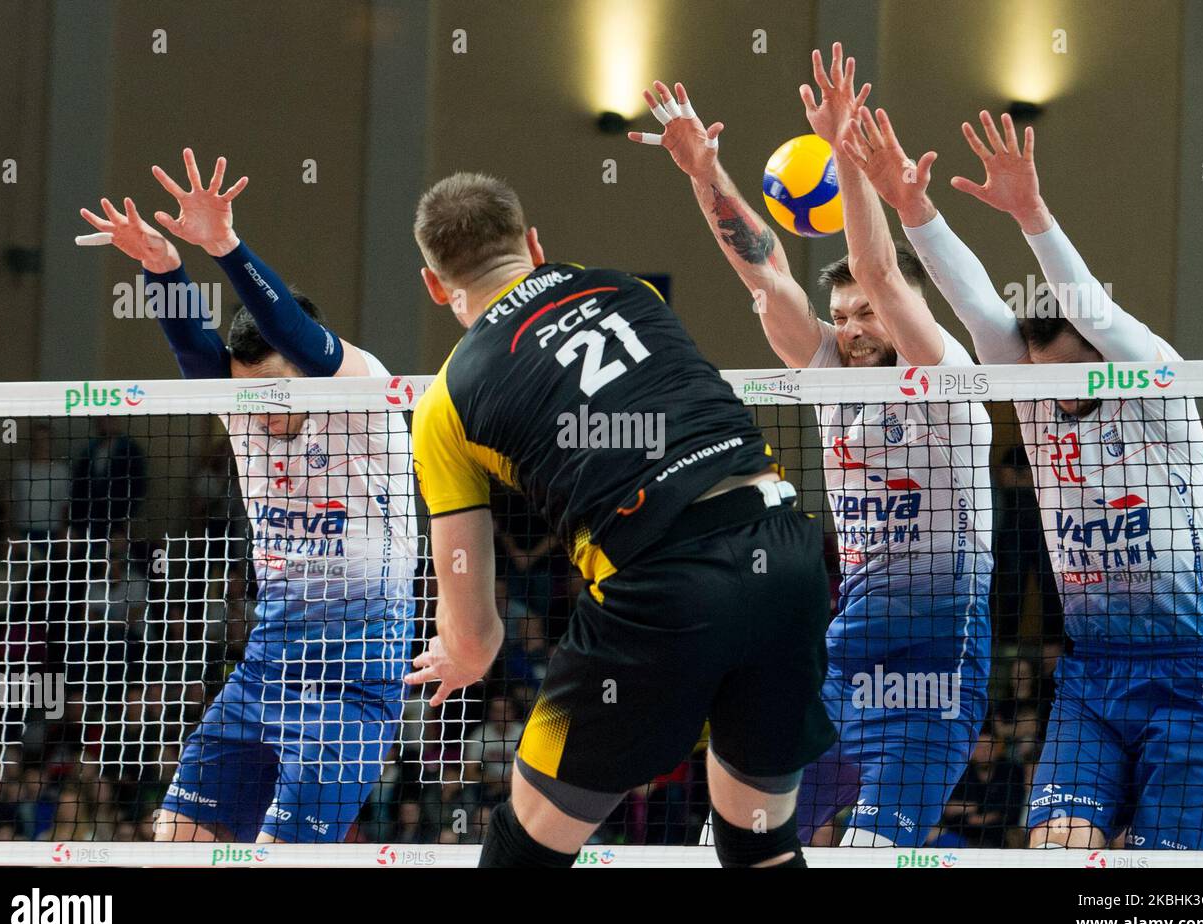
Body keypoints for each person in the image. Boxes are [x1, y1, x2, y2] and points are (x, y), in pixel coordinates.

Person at [406, 171, 835, 867]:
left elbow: (478, 640)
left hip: (662, 583)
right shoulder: (620, 287)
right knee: (758, 840)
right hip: (786, 551)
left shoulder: (445, 403)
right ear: (535, 246)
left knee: (525, 842)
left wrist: (460, 651)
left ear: (435, 285)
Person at [846, 101, 1203, 850]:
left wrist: (1032, 214)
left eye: (1072, 377)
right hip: (1093, 674)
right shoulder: (1034, 398)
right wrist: (914, 206)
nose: (1055, 393)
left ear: (1104, 359)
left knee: (1166, 881)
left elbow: (1090, 303)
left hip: (1191, 679)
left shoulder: (1159, 389)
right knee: (1054, 853)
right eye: (1040, 377)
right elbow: (975, 306)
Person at [631, 44, 993, 848]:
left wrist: (843, 157)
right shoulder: (832, 370)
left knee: (868, 854)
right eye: (846, 315)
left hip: (935, 670)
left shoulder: (946, 375)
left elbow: (880, 268)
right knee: (736, 837)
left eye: (869, 314)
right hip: (841, 655)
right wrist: (703, 174)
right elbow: (765, 279)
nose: (855, 330)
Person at [77, 148, 418, 843]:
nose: (260, 412)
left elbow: (292, 332)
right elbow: (189, 345)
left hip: (350, 693)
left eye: (275, 392)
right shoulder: (241, 400)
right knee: (172, 844)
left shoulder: (362, 391)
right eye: (247, 395)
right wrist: (161, 264)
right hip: (264, 672)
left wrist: (224, 246)